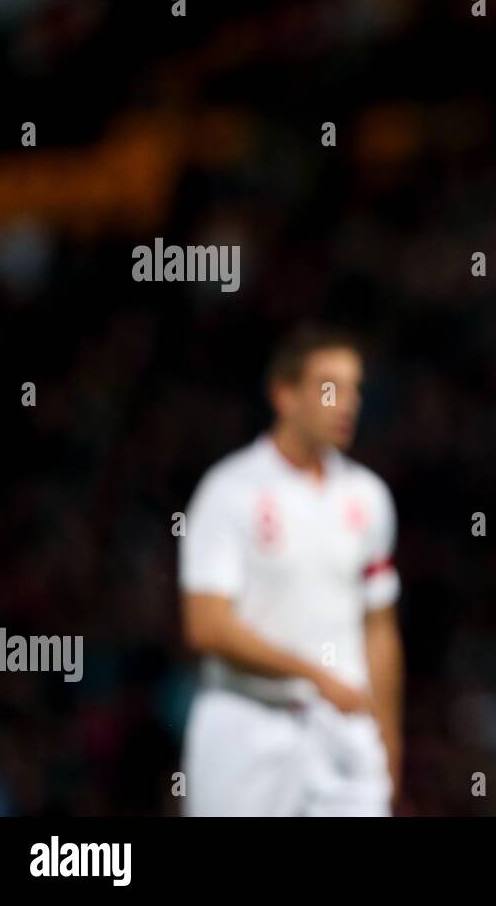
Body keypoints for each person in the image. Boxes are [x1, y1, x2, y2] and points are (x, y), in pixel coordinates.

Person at [178, 325, 404, 815]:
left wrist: (388, 741)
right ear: (284, 394)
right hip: (245, 725)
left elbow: (379, 626)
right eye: (330, 386)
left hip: (345, 734)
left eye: (355, 387)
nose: (348, 402)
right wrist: (314, 675)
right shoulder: (230, 491)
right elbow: (206, 626)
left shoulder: (368, 497)